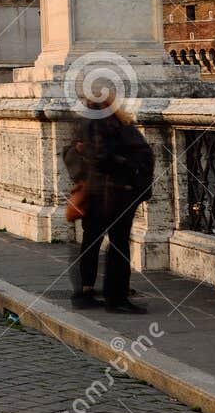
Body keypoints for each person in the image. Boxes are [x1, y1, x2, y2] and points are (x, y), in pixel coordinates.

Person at [62, 89, 155, 313]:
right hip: (114, 193)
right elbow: (105, 156)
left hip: (100, 192)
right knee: (118, 245)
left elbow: (83, 155)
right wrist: (127, 169)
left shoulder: (87, 124)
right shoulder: (109, 124)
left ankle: (88, 292)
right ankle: (115, 297)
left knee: (96, 242)